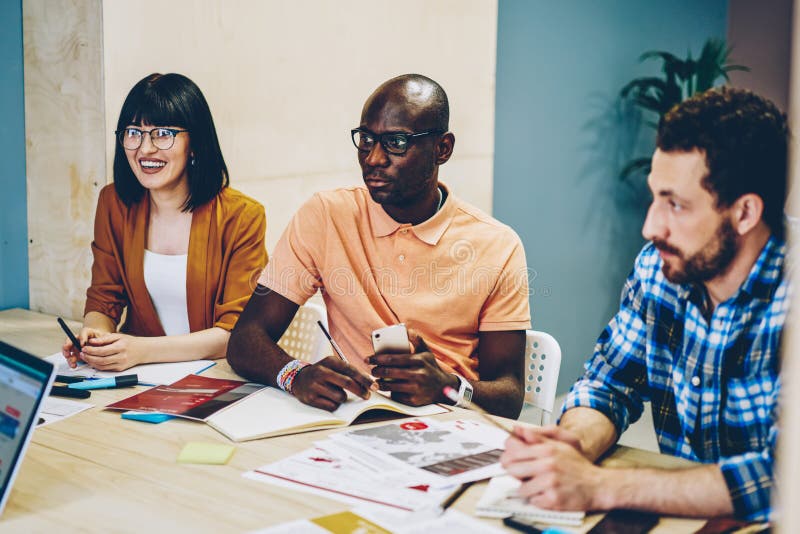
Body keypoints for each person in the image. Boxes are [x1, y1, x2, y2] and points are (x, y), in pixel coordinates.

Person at [501, 87, 789, 521]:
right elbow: (609, 384)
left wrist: (599, 486)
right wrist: (571, 446)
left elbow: (780, 477)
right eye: (655, 196)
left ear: (745, 213)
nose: (650, 226)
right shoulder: (662, 269)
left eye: (676, 204)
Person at [228, 74, 530, 418]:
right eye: (366, 139)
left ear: (442, 149)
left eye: (396, 143)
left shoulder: (497, 245)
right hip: (349, 420)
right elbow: (245, 339)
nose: (373, 158)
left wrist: (445, 386)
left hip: (450, 426)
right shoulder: (326, 216)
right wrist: (295, 375)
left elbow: (509, 395)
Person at [62, 73, 267, 372]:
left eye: (162, 133)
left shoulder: (242, 216)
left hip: (217, 377)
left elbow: (235, 333)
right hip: (138, 378)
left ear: (194, 143)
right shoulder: (113, 203)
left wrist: (140, 350)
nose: (145, 149)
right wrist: (97, 338)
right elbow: (103, 299)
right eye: (134, 132)